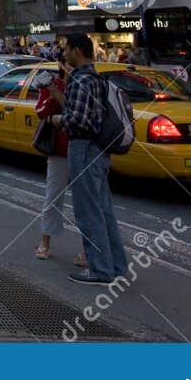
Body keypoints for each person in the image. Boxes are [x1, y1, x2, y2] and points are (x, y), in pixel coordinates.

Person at [49, 34, 129, 285]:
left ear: (78, 50)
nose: (65, 54)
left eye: (68, 49)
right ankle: (116, 266)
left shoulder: (80, 79)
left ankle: (100, 270)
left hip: (83, 149)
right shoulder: (97, 78)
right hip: (99, 150)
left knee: (87, 211)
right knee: (103, 210)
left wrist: (57, 120)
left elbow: (77, 121)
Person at [33, 59, 85, 268]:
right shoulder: (52, 84)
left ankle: (87, 248)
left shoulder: (84, 84)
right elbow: (41, 111)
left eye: (73, 63)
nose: (70, 67)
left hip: (82, 149)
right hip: (59, 149)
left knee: (85, 201)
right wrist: (52, 93)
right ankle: (45, 242)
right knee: (53, 196)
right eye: (67, 63)